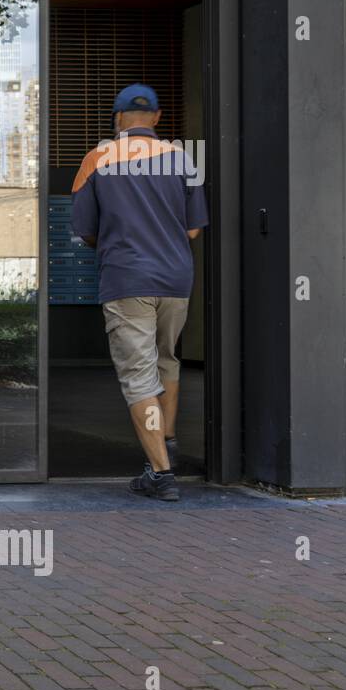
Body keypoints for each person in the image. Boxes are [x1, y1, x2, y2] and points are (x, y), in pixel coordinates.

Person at [70, 84, 209, 502]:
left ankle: (161, 475)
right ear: (158, 118)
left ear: (117, 120)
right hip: (175, 280)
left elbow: (85, 231)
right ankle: (164, 442)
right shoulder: (182, 159)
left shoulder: (97, 159)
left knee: (137, 377)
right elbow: (193, 229)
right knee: (167, 361)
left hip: (127, 279)